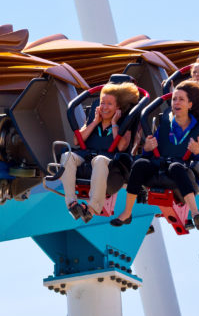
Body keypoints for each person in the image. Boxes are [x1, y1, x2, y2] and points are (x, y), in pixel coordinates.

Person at [112, 80, 199, 229]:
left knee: (175, 167)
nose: (176, 102)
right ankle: (127, 212)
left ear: (190, 105)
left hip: (184, 170)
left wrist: (197, 151)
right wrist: (147, 148)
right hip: (160, 165)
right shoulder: (166, 124)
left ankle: (195, 213)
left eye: (181, 99)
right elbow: (150, 152)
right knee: (140, 164)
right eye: (174, 99)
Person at [57, 81, 141, 221]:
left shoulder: (124, 123)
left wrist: (114, 124)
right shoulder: (94, 120)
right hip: (88, 154)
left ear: (117, 107)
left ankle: (92, 208)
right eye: (102, 103)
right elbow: (77, 141)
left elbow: (121, 147)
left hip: (110, 161)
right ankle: (72, 203)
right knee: (67, 156)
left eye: (109, 104)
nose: (104, 107)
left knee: (100, 160)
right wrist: (95, 122)